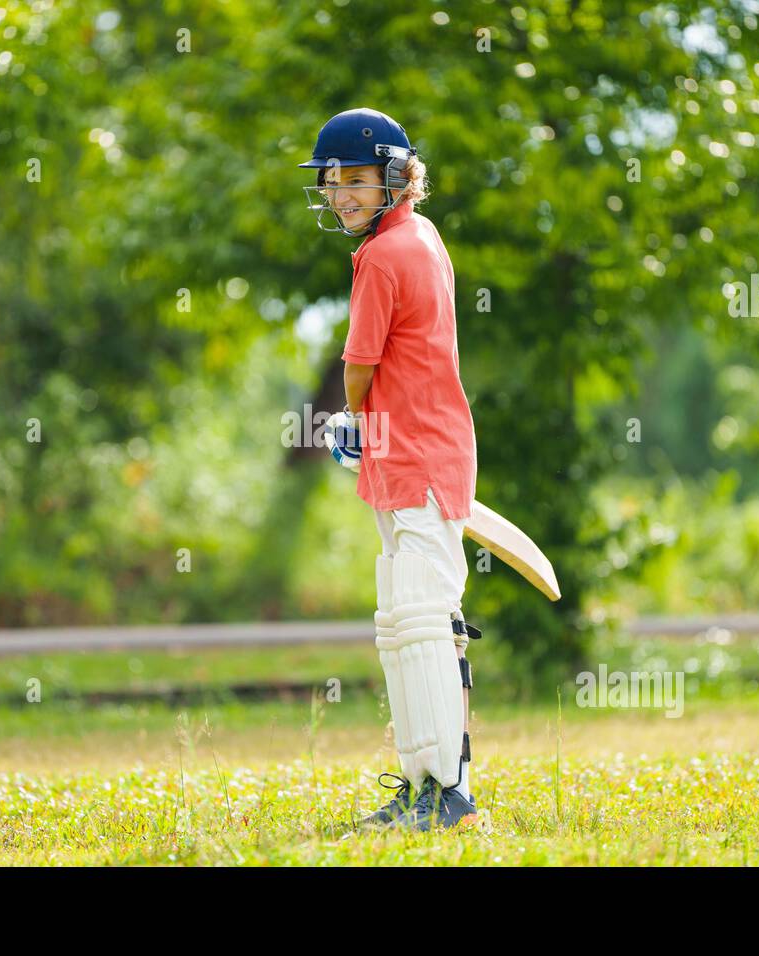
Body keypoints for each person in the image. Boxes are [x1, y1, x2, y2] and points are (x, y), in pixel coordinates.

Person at [300, 108, 481, 831]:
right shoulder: (422, 235)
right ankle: (422, 788)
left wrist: (351, 419)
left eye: (355, 180)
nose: (340, 194)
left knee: (425, 622)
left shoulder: (383, 255)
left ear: (395, 176)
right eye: (331, 182)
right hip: (416, 452)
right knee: (404, 621)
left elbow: (360, 367)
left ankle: (448, 793)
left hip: (415, 457)